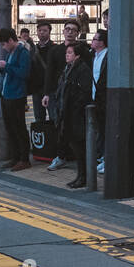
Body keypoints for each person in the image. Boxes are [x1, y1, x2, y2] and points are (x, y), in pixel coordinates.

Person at [44, 20, 89, 170]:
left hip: (75, 96)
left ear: (77, 33)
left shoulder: (83, 49)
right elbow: (49, 73)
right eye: (67, 29)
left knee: (75, 127)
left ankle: (76, 156)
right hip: (58, 94)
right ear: (63, 31)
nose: (70, 32)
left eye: (73, 30)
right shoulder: (55, 51)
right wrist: (47, 94)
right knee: (59, 125)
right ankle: (61, 155)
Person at [0, 28, 33, 172]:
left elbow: (24, 73)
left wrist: (7, 66)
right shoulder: (11, 53)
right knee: (10, 128)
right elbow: (10, 72)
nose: (3, 47)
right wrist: (3, 67)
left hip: (17, 96)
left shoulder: (23, 53)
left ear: (10, 40)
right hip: (7, 94)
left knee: (19, 127)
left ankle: (24, 159)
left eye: (4, 44)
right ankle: (16, 157)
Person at [55, 42, 92, 188]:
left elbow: (83, 93)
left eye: (70, 53)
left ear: (77, 55)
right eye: (66, 53)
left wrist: (75, 107)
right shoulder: (68, 69)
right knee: (75, 147)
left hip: (76, 114)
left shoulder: (82, 70)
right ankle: (81, 176)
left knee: (80, 147)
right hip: (68, 113)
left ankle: (84, 177)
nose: (67, 55)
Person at [90, 28, 108, 175]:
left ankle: (106, 157)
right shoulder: (93, 56)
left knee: (105, 129)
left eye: (95, 39)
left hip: (105, 98)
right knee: (99, 129)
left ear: (101, 43)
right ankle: (101, 156)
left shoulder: (107, 55)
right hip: (95, 97)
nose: (92, 41)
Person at [31, 22, 56, 121]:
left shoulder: (54, 48)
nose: (42, 33)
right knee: (39, 118)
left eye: (45, 31)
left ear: (49, 32)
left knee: (53, 116)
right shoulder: (33, 49)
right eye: (39, 30)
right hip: (36, 88)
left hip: (51, 89)